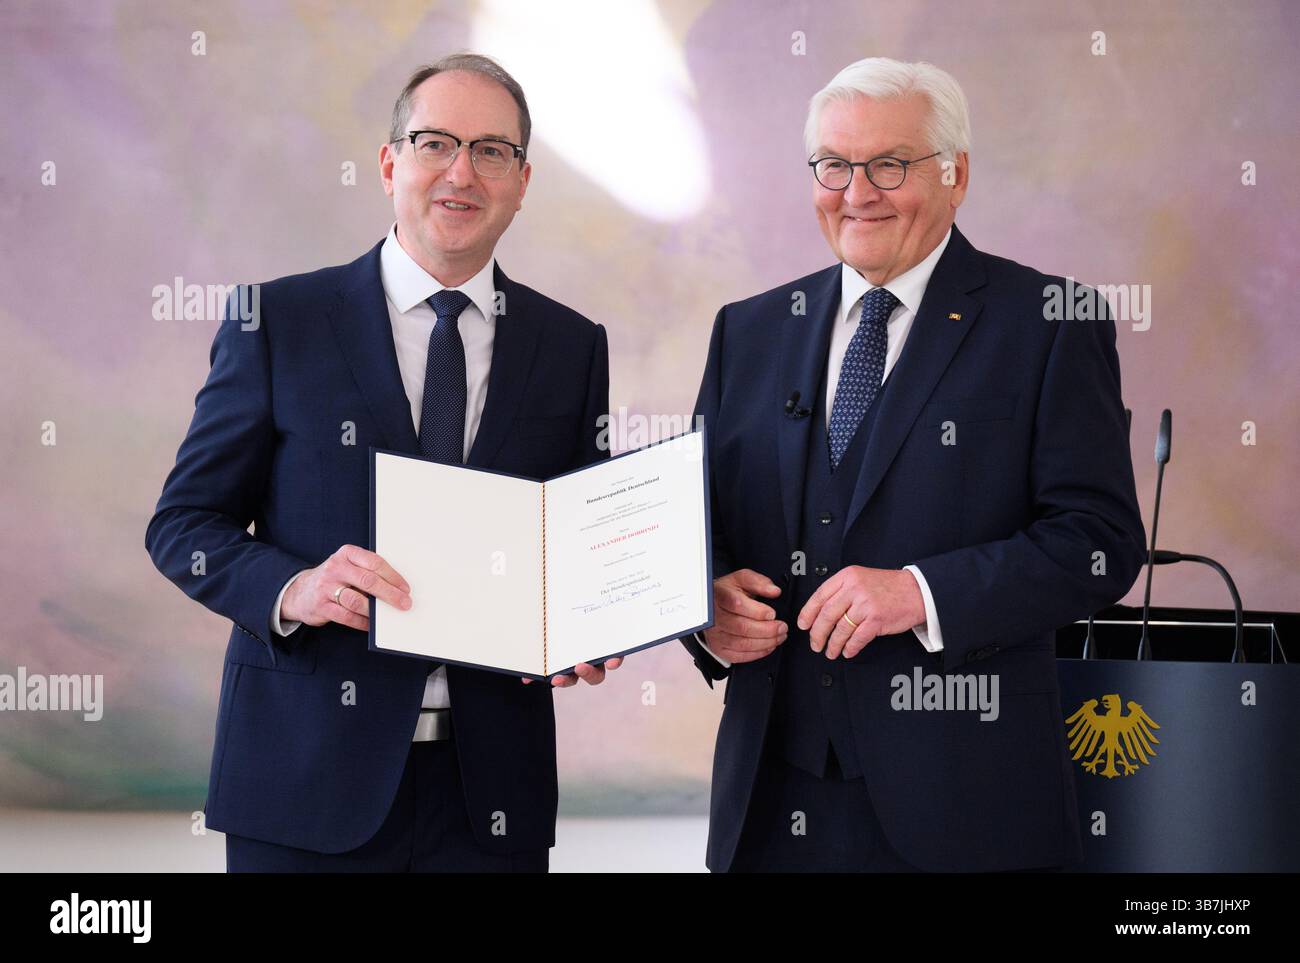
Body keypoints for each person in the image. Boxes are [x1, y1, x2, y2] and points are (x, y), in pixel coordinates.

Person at [146, 53, 616, 872]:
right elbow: (184, 525)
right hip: (300, 785)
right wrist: (297, 587)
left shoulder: (570, 345)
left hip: (490, 798)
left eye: (491, 151)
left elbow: (581, 542)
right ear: (390, 163)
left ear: (523, 179)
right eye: (436, 143)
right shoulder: (278, 320)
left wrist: (596, 623)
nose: (461, 171)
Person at [680, 57, 1146, 872]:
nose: (856, 191)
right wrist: (702, 608)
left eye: (889, 164)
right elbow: (693, 530)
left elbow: (1098, 543)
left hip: (970, 808)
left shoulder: (1049, 323)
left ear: (955, 174)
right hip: (767, 813)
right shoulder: (747, 331)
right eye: (833, 165)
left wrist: (919, 593)